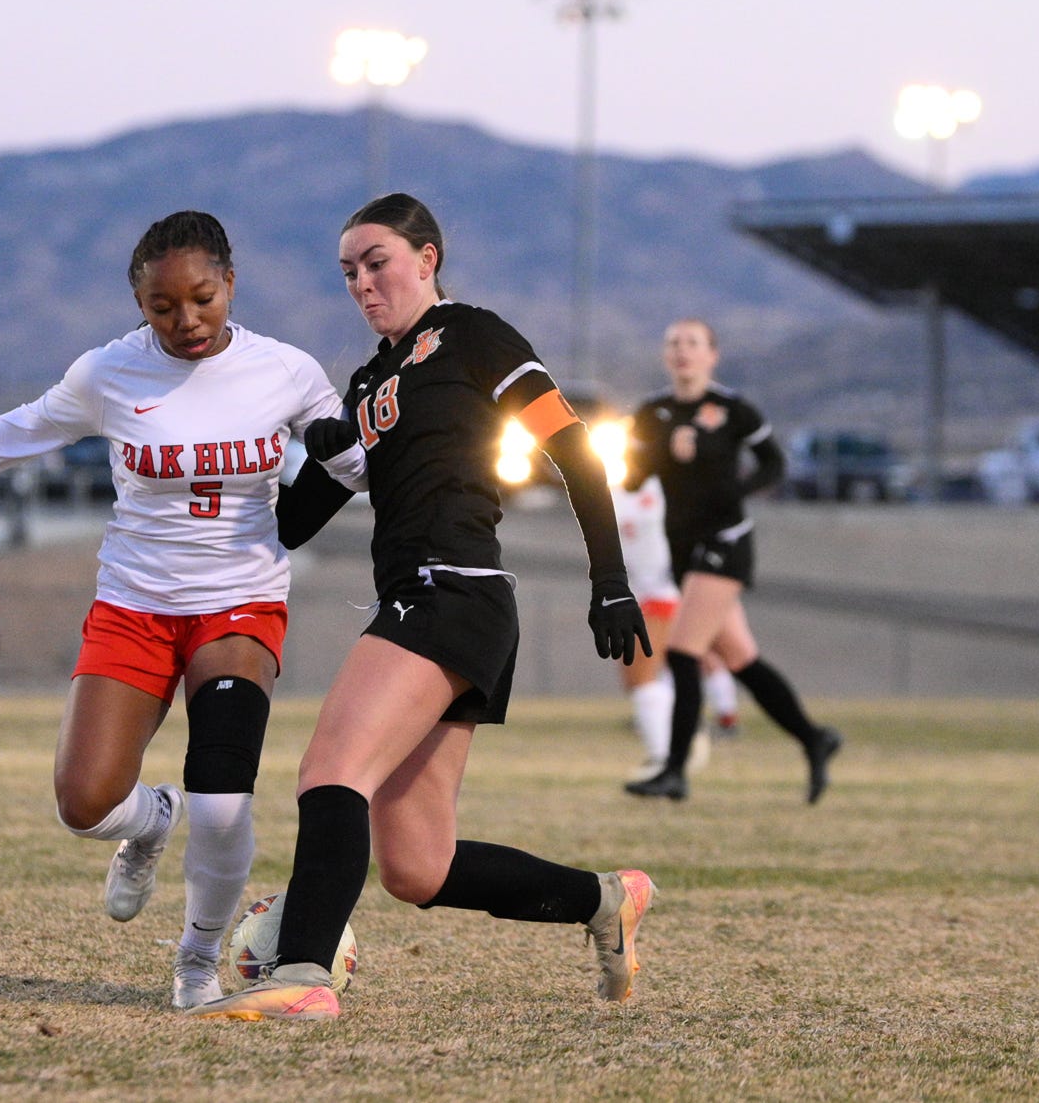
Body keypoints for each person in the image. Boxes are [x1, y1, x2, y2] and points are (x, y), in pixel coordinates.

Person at [0, 211, 363, 1009]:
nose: (186, 320)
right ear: (140, 305)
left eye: (202, 298)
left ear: (230, 283)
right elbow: (15, 433)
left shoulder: (288, 371)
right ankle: (150, 820)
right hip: (134, 602)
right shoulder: (108, 374)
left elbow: (352, 465)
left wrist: (352, 456)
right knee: (84, 800)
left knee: (225, 794)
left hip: (240, 600)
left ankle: (197, 964)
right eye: (163, 307)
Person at [192, 193, 656, 1023]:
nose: (363, 283)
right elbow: (294, 525)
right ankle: (601, 899)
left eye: (377, 262)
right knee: (418, 865)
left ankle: (302, 974)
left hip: (452, 589)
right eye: (348, 273)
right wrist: (327, 457)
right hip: (436, 601)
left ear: (427, 258)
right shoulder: (370, 379)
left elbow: (572, 445)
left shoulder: (473, 333)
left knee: (331, 770)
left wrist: (610, 578)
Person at [620, 318, 842, 804]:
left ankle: (674, 772)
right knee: (742, 660)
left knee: (681, 651)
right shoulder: (651, 412)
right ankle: (813, 737)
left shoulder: (731, 409)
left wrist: (732, 493)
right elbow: (634, 481)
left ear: (711, 355)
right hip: (682, 548)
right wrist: (658, 452)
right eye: (674, 342)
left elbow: (774, 463)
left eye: (693, 343)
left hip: (725, 541)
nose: (682, 351)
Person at [612, 476, 740, 777]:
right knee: (641, 677)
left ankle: (667, 754)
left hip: (661, 591)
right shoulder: (614, 488)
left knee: (645, 674)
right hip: (637, 593)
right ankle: (679, 741)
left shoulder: (663, 485)